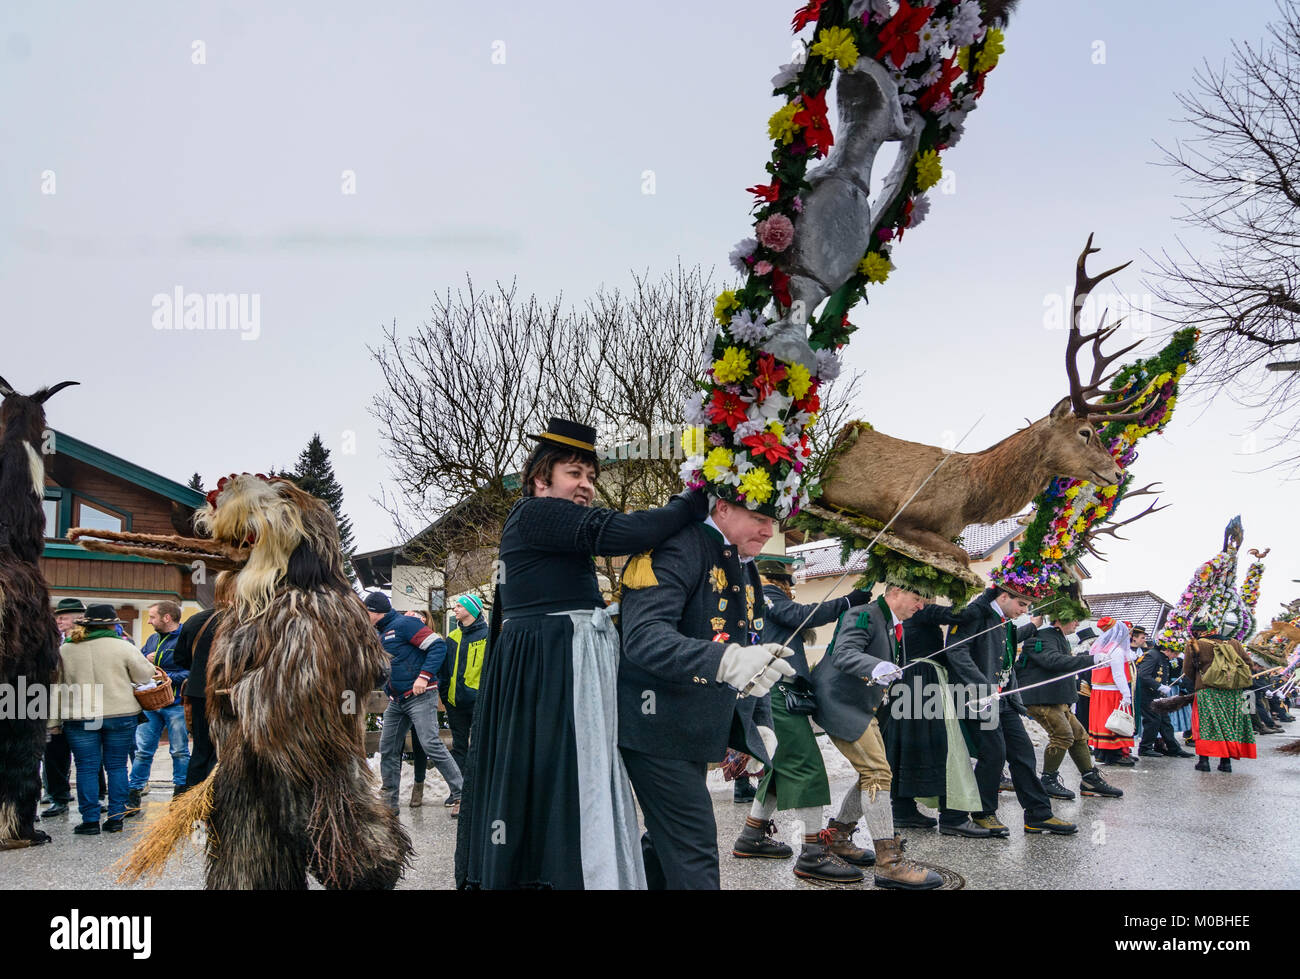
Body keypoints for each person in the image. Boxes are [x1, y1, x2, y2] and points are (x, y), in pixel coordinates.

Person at [456, 417, 708, 890]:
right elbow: (630, 532)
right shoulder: (535, 512)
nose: (586, 486)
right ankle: (565, 875)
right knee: (568, 774)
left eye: (591, 477)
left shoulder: (543, 519)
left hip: (559, 656)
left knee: (565, 773)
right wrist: (692, 498)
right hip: (554, 663)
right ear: (540, 478)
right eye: (575, 473)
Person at [618, 494, 790, 890]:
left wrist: (760, 724)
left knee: (666, 842)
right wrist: (725, 661)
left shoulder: (742, 563)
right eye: (760, 518)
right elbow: (644, 638)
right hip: (656, 727)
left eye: (773, 522)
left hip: (693, 729)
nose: (768, 531)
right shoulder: (678, 547)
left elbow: (753, 648)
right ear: (722, 507)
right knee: (693, 844)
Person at [728, 555, 872, 883]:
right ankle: (812, 853)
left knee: (779, 771)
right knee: (808, 768)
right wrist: (847, 601)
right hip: (775, 691)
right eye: (789, 577)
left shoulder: (756, 596)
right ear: (779, 578)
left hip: (771, 690)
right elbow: (800, 615)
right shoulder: (765, 595)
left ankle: (752, 836)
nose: (791, 583)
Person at [811, 582, 943, 889]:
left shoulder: (891, 624)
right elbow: (844, 653)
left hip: (859, 706)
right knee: (877, 773)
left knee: (870, 774)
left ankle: (839, 836)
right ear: (895, 590)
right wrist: (876, 666)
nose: (921, 605)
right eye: (917, 597)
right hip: (840, 703)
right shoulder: (863, 614)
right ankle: (889, 863)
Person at [940, 585, 1077, 837]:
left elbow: (1007, 653)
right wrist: (981, 686)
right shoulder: (976, 613)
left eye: (1026, 606)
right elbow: (956, 650)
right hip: (977, 699)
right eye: (1021, 604)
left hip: (1004, 700)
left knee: (1024, 753)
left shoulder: (1005, 619)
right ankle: (983, 813)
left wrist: (1034, 624)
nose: (1023, 610)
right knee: (993, 753)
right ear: (1004, 596)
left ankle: (1039, 814)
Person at [54, 605, 156, 834]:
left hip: (80, 716)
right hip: (119, 714)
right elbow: (144, 675)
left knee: (86, 768)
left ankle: (90, 820)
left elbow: (56, 687)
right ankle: (116, 818)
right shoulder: (122, 646)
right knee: (117, 766)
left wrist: (52, 722)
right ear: (112, 624)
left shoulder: (67, 650)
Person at [367, 592, 464, 815]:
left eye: (366, 612)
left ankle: (461, 795)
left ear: (376, 612)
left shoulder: (405, 624)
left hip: (421, 695)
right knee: (388, 748)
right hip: (397, 700)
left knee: (431, 744)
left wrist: (424, 676)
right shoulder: (379, 634)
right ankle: (389, 803)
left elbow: (438, 646)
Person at [1019, 610, 1123, 799]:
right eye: (1075, 619)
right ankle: (1048, 781)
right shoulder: (1044, 635)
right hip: (1040, 698)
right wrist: (1091, 660)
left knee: (1079, 735)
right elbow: (1053, 661)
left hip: (1055, 698)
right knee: (1063, 736)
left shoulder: (1058, 637)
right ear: (1062, 617)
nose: (1077, 624)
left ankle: (1090, 779)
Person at [172, 573, 234, 789]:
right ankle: (215, 800)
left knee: (200, 749)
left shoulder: (196, 619)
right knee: (225, 751)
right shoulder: (248, 619)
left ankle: (190, 803)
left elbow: (179, 658)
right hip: (232, 695)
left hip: (200, 692)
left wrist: (199, 669)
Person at [127, 601, 190, 811]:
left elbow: (192, 672)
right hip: (151, 704)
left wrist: (166, 676)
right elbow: (139, 663)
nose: (149, 621)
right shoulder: (153, 638)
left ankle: (181, 793)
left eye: (152, 617)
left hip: (176, 704)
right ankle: (134, 792)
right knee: (143, 751)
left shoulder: (185, 638)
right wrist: (146, 659)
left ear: (167, 618)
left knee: (180, 751)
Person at [1183, 619, 1256, 772]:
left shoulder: (1195, 644)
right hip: (1233, 692)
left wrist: (1200, 679)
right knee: (1228, 725)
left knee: (1206, 725)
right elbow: (1248, 664)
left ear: (1197, 631)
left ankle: (1204, 762)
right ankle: (1226, 762)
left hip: (1207, 690)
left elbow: (1188, 670)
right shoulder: (1234, 643)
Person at [439, 595, 488, 804]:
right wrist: (445, 694)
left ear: (472, 610)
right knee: (459, 747)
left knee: (481, 746)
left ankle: (481, 791)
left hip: (479, 702)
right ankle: (458, 792)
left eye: (459, 606)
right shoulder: (453, 637)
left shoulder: (488, 636)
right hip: (455, 702)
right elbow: (444, 668)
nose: (455, 608)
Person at [40, 598, 86, 818]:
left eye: (63, 617)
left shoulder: (85, 642)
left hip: (81, 702)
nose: (58, 620)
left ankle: (96, 797)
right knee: (53, 753)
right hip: (53, 704)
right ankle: (58, 796)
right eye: (57, 617)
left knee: (87, 756)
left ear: (78, 618)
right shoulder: (53, 641)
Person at [1087, 617, 1137, 766]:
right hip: (1112, 692)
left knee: (1102, 722)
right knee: (1114, 723)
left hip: (1099, 691)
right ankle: (1115, 754)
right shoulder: (1116, 650)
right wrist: (1126, 693)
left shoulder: (1099, 647)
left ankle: (1101, 753)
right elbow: (1118, 674)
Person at [1136, 643, 1193, 758]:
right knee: (1152, 721)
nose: (1175, 657)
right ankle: (1145, 747)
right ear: (1167, 650)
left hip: (1157, 695)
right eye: (1175, 653)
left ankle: (1173, 748)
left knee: (1165, 722)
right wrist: (1159, 686)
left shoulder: (1161, 657)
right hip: (1147, 694)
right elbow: (1143, 675)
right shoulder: (1153, 656)